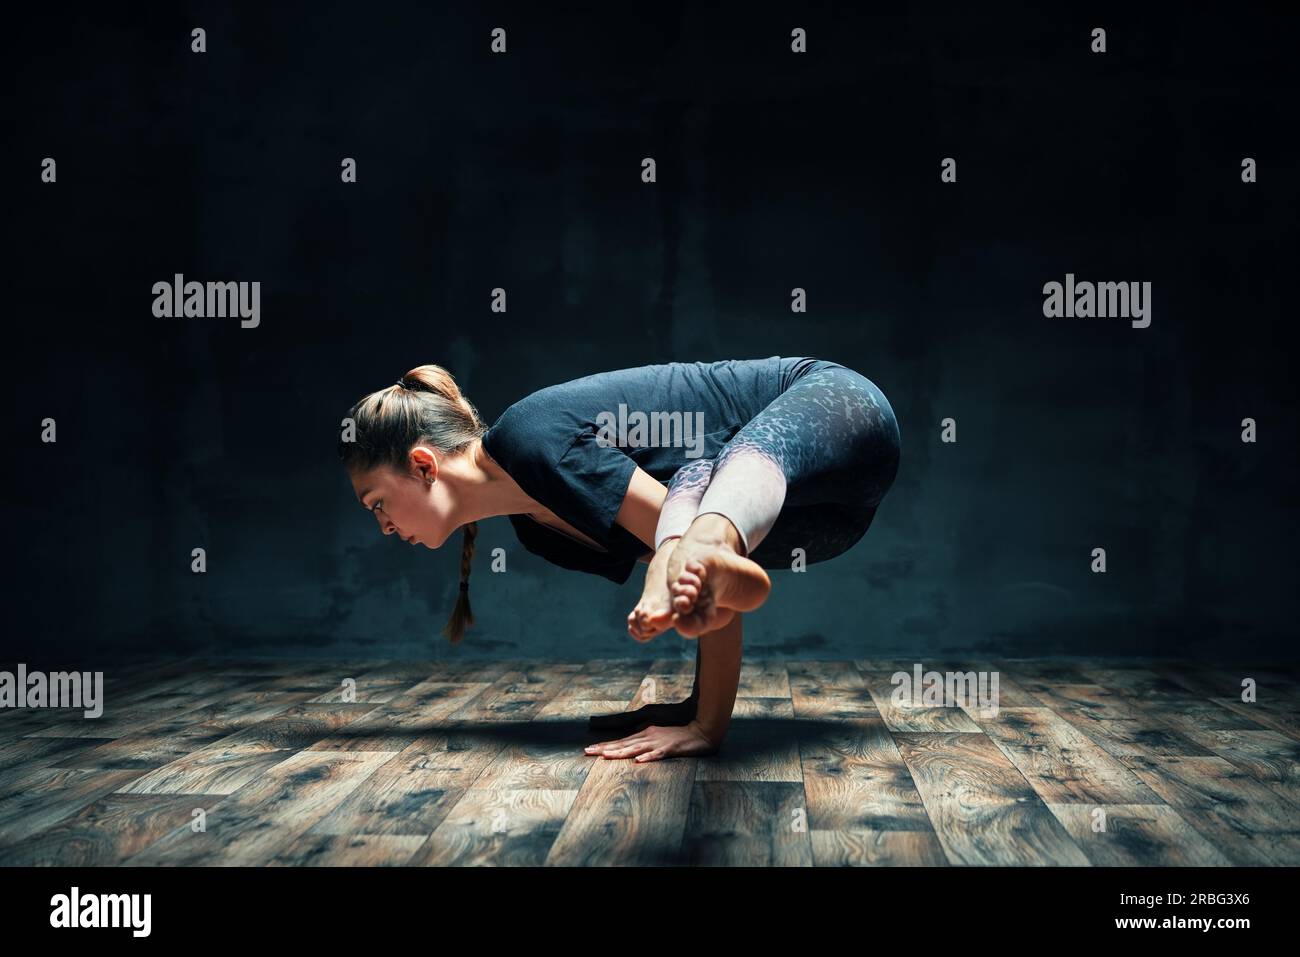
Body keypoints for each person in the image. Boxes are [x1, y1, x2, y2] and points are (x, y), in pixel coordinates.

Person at [337, 356, 901, 762]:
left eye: (378, 503)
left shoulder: (531, 439)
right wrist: (695, 707)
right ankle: (707, 560)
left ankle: (700, 552)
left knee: (698, 513)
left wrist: (709, 727)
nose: (384, 526)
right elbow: (698, 586)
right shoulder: (544, 534)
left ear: (423, 465)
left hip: (838, 414)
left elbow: (678, 543)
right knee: (694, 496)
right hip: (818, 520)